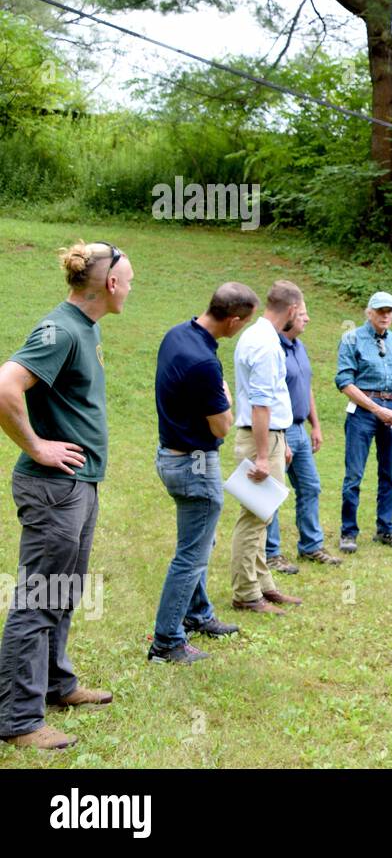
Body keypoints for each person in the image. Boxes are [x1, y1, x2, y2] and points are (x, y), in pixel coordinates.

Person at [0, 240, 133, 750]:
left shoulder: (86, 328)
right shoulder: (59, 330)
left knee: (64, 592)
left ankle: (58, 685)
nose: (132, 289)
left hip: (78, 485)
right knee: (37, 599)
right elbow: (6, 386)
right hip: (54, 488)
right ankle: (17, 719)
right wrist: (37, 446)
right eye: (131, 280)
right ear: (112, 283)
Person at [148, 283, 257, 665]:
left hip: (170, 454)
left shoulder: (178, 334)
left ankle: (197, 614)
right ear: (233, 320)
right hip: (194, 464)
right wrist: (226, 397)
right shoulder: (206, 363)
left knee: (200, 542)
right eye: (243, 324)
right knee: (191, 555)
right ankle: (166, 642)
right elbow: (222, 427)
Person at [230, 280, 307, 615]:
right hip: (259, 437)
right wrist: (263, 455)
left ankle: (263, 584)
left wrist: (282, 441)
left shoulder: (258, 336)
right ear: (291, 310)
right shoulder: (266, 345)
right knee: (254, 516)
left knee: (264, 513)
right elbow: (261, 405)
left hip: (271, 436)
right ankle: (246, 593)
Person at [264, 297, 341, 569]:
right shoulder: (274, 348)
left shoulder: (299, 348)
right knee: (272, 491)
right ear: (290, 315)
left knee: (310, 486)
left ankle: (311, 546)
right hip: (279, 431)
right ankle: (270, 554)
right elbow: (268, 397)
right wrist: (280, 436)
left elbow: (305, 388)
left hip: (299, 429)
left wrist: (316, 425)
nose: (307, 319)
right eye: (303, 314)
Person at [336, 291, 392, 553]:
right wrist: (375, 409)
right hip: (362, 411)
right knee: (354, 475)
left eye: (389, 311)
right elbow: (345, 382)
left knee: (389, 474)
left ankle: (386, 529)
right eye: (380, 310)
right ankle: (348, 533)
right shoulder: (352, 339)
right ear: (368, 312)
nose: (385, 315)